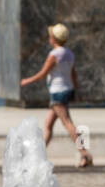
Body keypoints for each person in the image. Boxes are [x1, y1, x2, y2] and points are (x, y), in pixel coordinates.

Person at [21, 23, 93, 168]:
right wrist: (77, 91)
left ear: (53, 38)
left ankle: (85, 154)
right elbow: (73, 74)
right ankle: (37, 156)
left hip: (57, 92)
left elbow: (43, 74)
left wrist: (27, 80)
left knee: (68, 123)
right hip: (66, 91)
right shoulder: (69, 53)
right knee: (48, 124)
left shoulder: (54, 55)